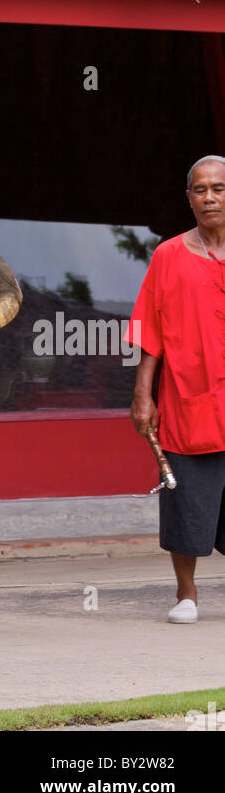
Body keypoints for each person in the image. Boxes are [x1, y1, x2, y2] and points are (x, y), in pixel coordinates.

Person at [125, 155, 225, 622]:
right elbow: (151, 332)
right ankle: (187, 595)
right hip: (187, 398)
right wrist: (144, 394)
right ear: (189, 198)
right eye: (201, 189)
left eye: (219, 188)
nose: (210, 197)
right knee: (184, 495)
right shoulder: (168, 255)